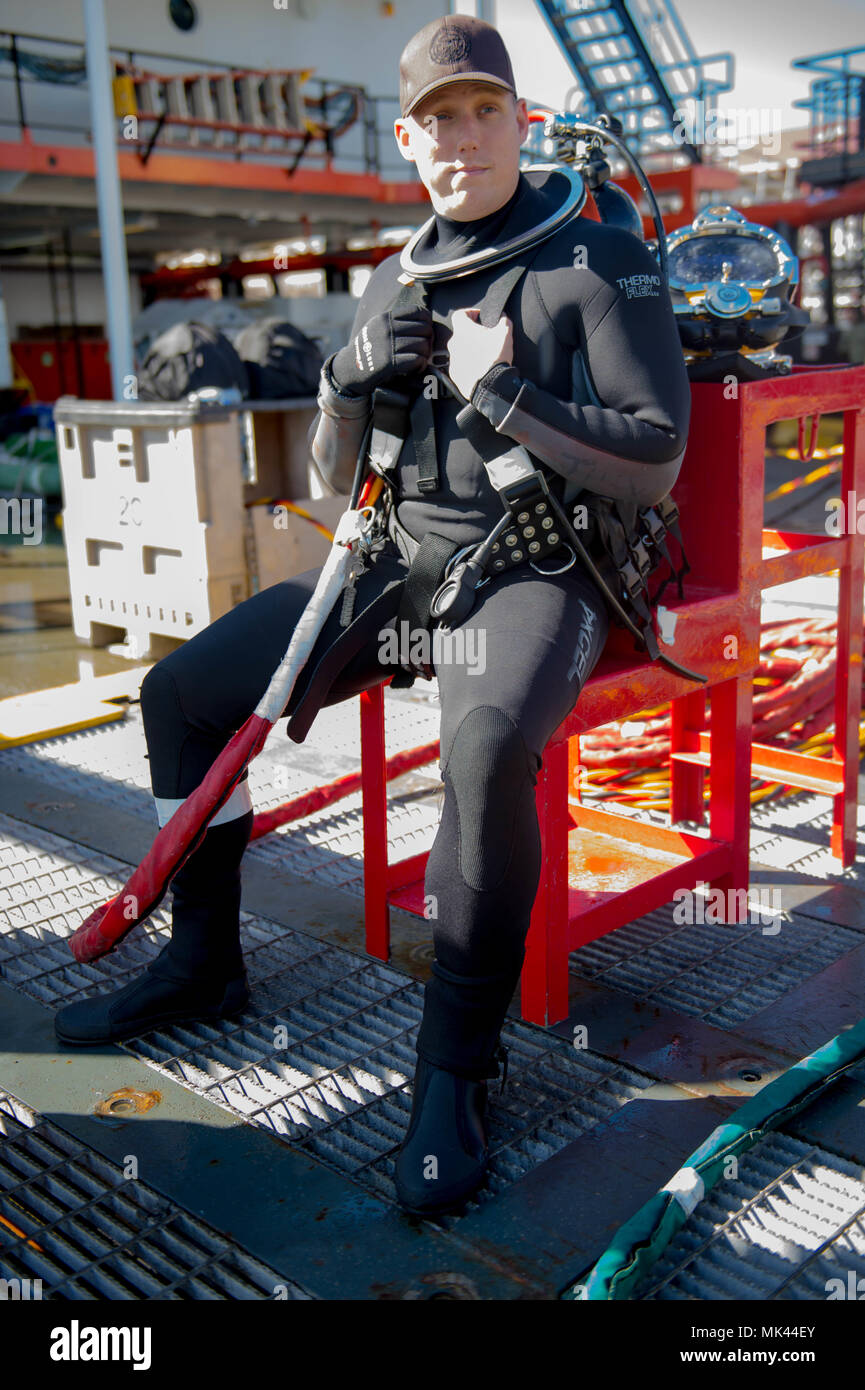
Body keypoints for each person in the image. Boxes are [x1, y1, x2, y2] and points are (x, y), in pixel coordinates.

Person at [54, 14, 690, 1217]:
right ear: (408, 139)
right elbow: (327, 486)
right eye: (438, 120)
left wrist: (500, 387)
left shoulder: (601, 258)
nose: (463, 138)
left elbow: (653, 458)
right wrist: (348, 379)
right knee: (177, 694)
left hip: (538, 568)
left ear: (521, 120)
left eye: (484, 111)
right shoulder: (398, 275)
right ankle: (204, 963)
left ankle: (456, 1061)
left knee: (487, 744)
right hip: (398, 563)